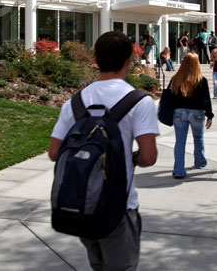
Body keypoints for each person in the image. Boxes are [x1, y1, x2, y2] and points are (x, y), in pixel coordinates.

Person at [48, 31, 158, 270]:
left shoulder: (75, 102)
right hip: (120, 206)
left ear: (95, 60)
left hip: (84, 204)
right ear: (129, 60)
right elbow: (149, 157)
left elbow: (54, 152)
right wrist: (131, 159)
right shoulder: (140, 101)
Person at [166, 52, 213, 179]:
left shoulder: (175, 79)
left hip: (179, 112)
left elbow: (170, 98)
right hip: (197, 113)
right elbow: (206, 100)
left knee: (180, 141)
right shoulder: (201, 80)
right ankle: (199, 162)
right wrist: (209, 115)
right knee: (199, 138)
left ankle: (178, 170)